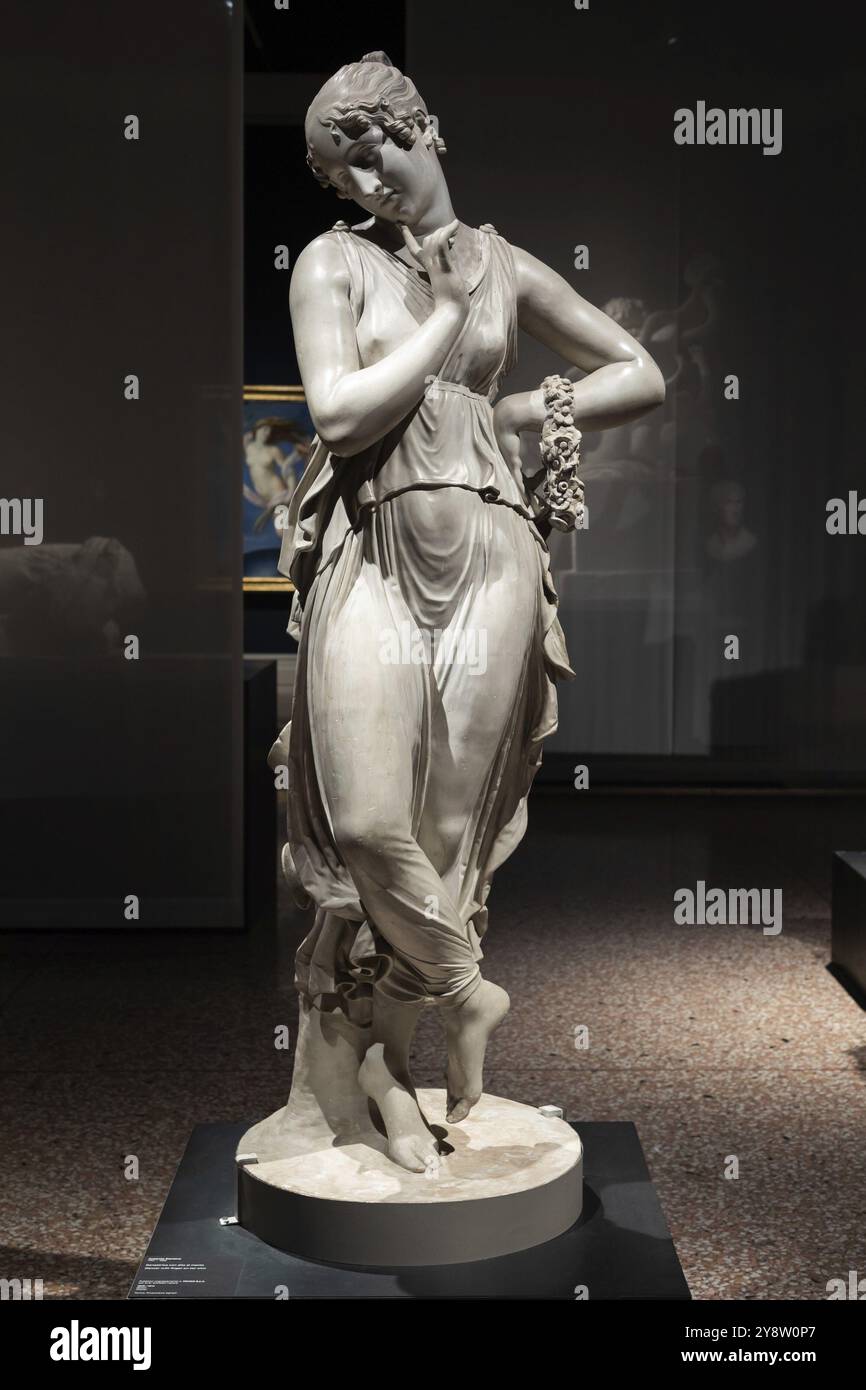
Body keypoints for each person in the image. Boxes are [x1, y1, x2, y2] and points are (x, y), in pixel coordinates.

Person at [276, 50, 664, 1173]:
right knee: (361, 823)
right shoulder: (333, 264)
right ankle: (464, 989)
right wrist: (443, 319)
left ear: (424, 126)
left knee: (448, 832)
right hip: (377, 550)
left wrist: (519, 410)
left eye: (376, 148)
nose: (367, 182)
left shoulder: (502, 263)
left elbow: (636, 370)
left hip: (493, 552)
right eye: (344, 171)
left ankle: (386, 1063)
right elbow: (340, 414)